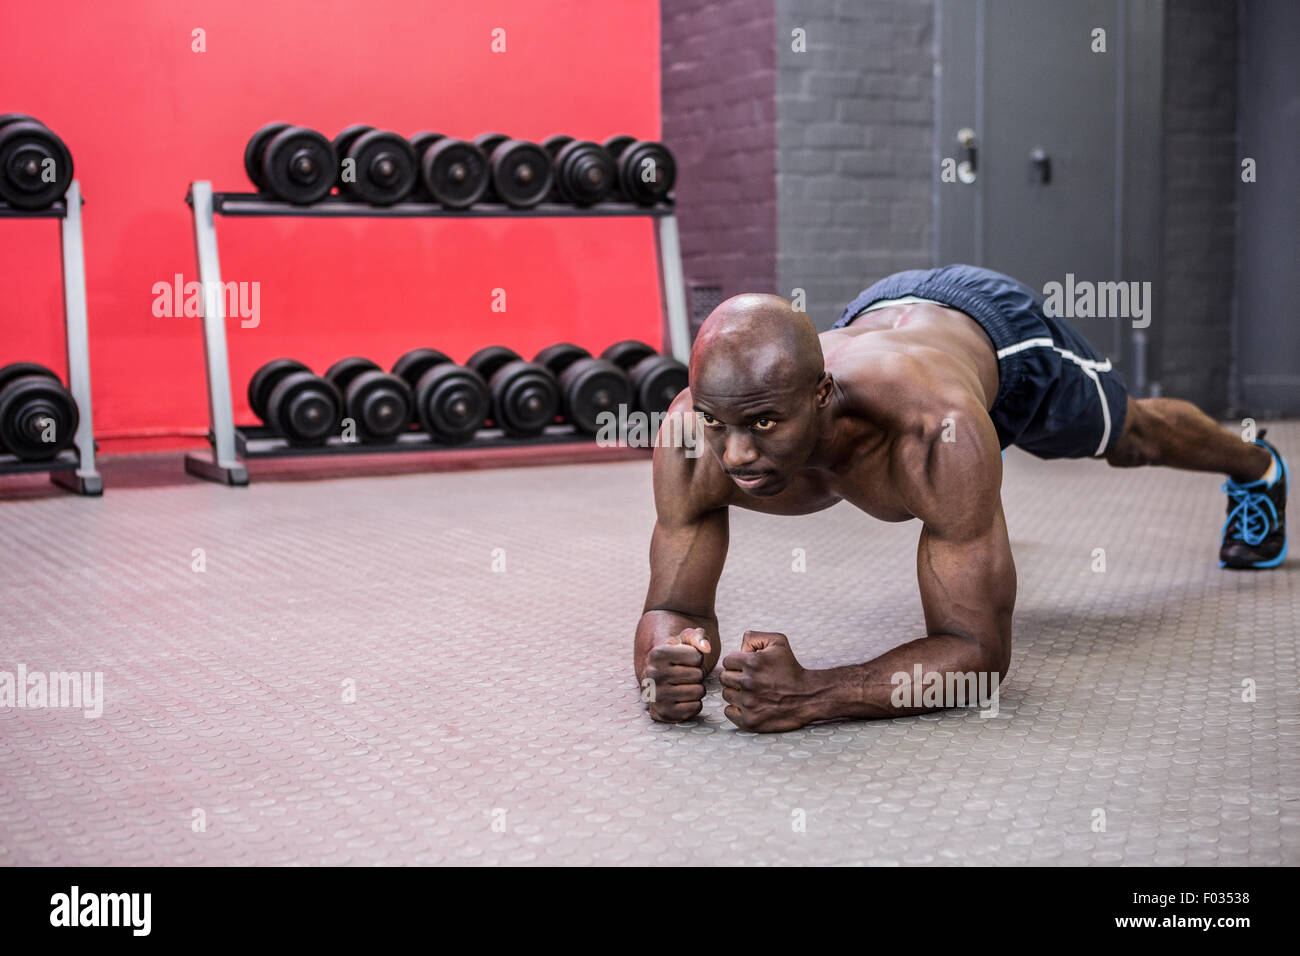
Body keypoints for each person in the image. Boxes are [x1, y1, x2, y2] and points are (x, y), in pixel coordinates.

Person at [634, 264, 1288, 732]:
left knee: (1131, 438)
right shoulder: (695, 439)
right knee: (959, 482)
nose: (738, 455)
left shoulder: (925, 430)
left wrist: (816, 694)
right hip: (883, 318)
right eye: (719, 422)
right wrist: (664, 666)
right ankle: (969, 492)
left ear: (821, 396)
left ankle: (1258, 466)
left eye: (765, 424)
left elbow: (976, 654)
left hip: (997, 336)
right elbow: (669, 605)